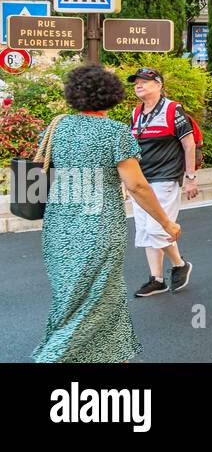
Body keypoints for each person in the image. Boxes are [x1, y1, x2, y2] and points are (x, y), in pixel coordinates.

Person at [33, 65, 181, 362]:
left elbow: (41, 173)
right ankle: (52, 356)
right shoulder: (114, 132)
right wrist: (166, 222)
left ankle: (115, 357)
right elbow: (137, 186)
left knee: (71, 299)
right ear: (110, 96)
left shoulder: (55, 127)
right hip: (99, 227)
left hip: (58, 228)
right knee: (101, 297)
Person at [125, 67, 197, 297]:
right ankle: (156, 279)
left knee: (158, 227)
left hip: (165, 177)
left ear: (158, 84)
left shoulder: (172, 109)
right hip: (141, 180)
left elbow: (189, 144)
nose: (138, 85)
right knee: (145, 230)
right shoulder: (136, 113)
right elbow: (131, 149)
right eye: (136, 82)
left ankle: (179, 264)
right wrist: (125, 181)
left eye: (144, 81)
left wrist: (191, 178)